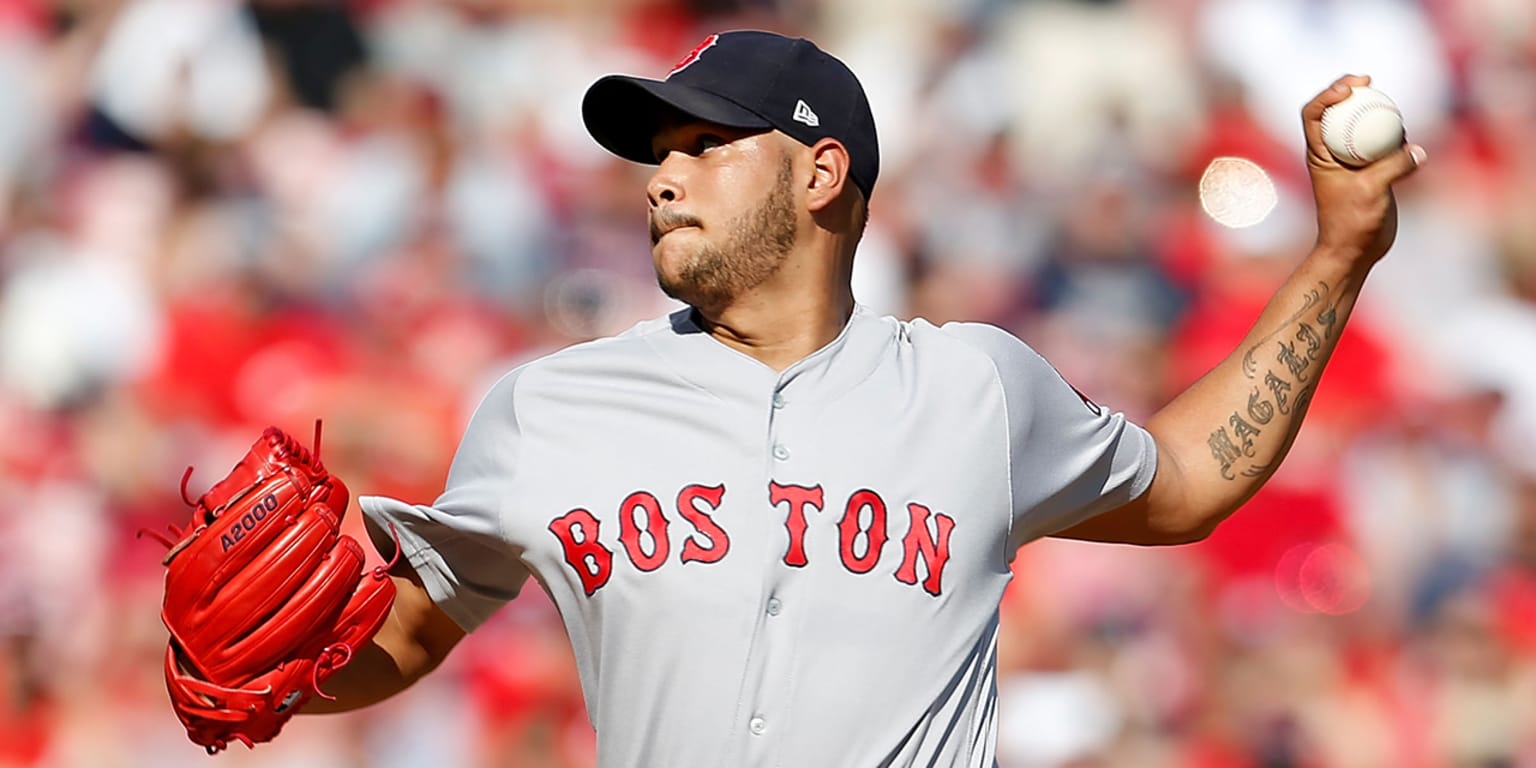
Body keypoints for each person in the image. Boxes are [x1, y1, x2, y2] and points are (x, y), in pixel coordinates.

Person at [306, 29, 1424, 767]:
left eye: (704, 144)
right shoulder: (547, 410)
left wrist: (1337, 257)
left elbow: (1185, 484)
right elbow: (404, 634)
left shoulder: (975, 390)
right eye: (659, 152)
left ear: (821, 173)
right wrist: (262, 677)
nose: (662, 177)